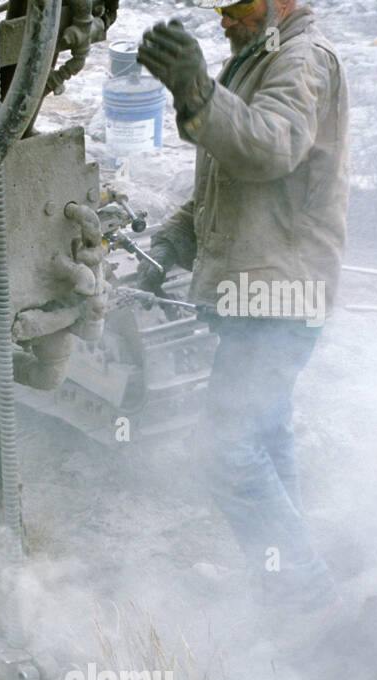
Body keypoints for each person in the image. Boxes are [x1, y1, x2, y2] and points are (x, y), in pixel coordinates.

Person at [135, 0, 349, 613]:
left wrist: (197, 90)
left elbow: (268, 148)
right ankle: (287, 581)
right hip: (261, 296)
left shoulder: (301, 60)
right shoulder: (259, 57)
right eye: (220, 8)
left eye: (239, 7)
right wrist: (173, 241)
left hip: (281, 298)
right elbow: (227, 180)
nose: (225, 20)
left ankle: (308, 602)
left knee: (225, 450)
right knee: (267, 437)